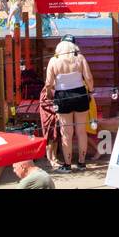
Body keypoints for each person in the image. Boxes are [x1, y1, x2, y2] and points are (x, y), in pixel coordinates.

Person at [44, 38, 96, 173]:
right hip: (80, 94)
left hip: (62, 97)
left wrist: (50, 94)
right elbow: (89, 77)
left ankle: (67, 165)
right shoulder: (80, 58)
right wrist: (90, 91)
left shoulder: (54, 61)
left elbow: (48, 83)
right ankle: (81, 163)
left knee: (66, 133)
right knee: (81, 131)